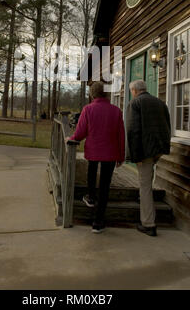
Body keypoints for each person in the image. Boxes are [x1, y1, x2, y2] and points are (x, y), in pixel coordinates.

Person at [67, 81, 125, 233]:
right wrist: (121, 156)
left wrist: (71, 138)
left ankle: (91, 196)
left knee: (91, 173)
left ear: (92, 94)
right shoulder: (116, 111)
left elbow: (80, 132)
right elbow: (121, 136)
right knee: (105, 186)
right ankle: (98, 223)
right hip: (111, 153)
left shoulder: (88, 109)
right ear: (106, 93)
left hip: (93, 150)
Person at [126, 80, 171, 237]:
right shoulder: (160, 103)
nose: (131, 93)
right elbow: (167, 127)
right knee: (147, 181)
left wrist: (133, 155)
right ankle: (144, 203)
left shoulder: (135, 103)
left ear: (134, 90)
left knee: (145, 186)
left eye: (131, 91)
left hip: (144, 151)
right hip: (158, 149)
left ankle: (148, 224)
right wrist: (163, 147)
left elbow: (133, 131)